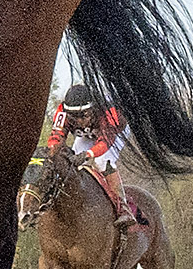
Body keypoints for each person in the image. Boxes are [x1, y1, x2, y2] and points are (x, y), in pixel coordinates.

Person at [44, 81, 136, 230]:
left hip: (114, 133)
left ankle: (123, 207)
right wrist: (52, 153)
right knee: (75, 162)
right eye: (74, 117)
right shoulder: (62, 111)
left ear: (93, 108)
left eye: (83, 115)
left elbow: (105, 142)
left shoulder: (108, 110)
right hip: (88, 133)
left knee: (101, 160)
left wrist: (89, 153)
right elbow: (56, 136)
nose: (79, 121)